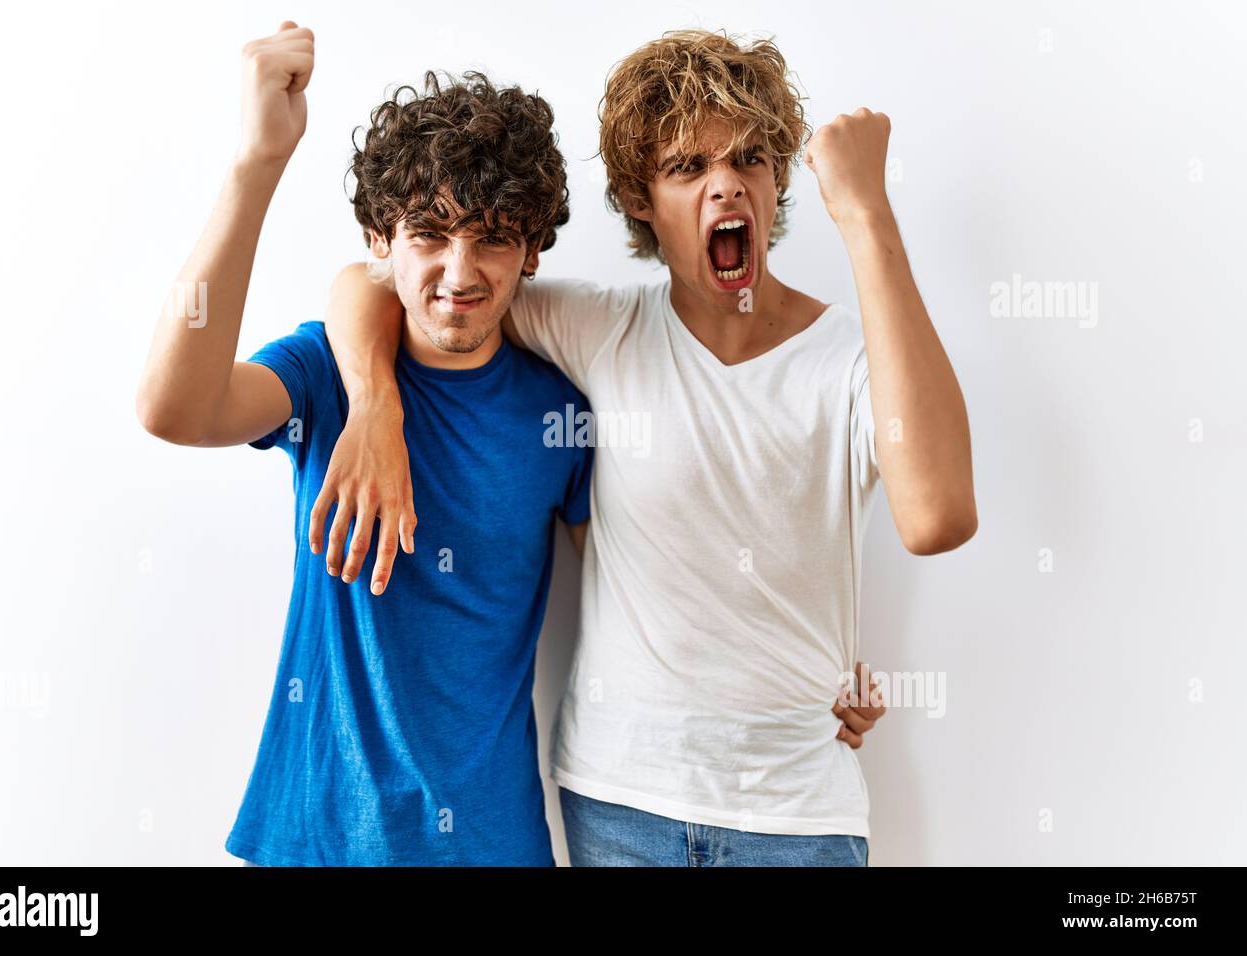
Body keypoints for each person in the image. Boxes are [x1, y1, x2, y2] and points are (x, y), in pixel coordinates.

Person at [317, 29, 978, 867]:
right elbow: (375, 283)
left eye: (749, 160)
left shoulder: (851, 358)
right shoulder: (599, 327)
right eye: (688, 169)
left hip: (798, 814)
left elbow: (937, 515)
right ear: (640, 201)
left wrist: (867, 213)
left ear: (777, 181)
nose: (726, 185)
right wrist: (373, 406)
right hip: (620, 805)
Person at [134, 21, 591, 865]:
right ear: (380, 242)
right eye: (428, 234)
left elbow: (643, 596)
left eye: (493, 236)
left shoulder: (563, 416)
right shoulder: (322, 370)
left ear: (531, 250)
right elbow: (174, 410)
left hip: (489, 843)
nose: (460, 272)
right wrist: (254, 167)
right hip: (314, 833)